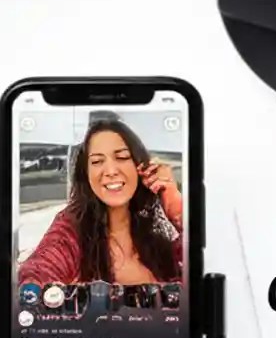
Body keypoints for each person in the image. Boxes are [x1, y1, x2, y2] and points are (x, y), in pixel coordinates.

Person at [19, 118, 183, 286]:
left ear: (140, 167)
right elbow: (36, 274)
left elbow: (202, 267)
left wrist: (177, 210)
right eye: (97, 162)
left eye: (122, 157)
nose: (111, 171)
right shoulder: (71, 231)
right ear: (86, 174)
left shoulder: (155, 241)